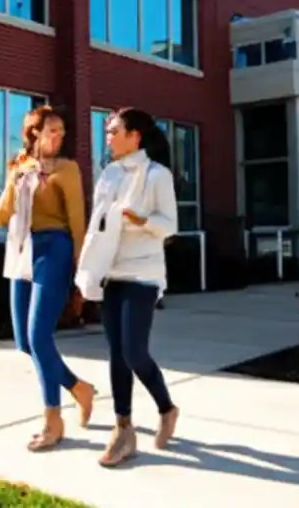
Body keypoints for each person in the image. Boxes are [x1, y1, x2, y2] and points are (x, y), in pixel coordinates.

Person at [0, 105, 97, 452]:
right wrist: (14, 180)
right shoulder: (17, 166)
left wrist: (82, 270)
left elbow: (77, 221)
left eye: (62, 131)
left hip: (54, 248)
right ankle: (78, 386)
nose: (59, 136)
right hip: (21, 250)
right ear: (35, 132)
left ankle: (53, 420)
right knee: (24, 341)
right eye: (52, 130)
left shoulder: (68, 169)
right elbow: (1, 215)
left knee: (39, 336)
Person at [89, 107, 180, 468]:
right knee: (115, 354)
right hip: (111, 271)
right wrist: (89, 267)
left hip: (143, 274)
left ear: (135, 136)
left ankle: (167, 408)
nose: (108, 137)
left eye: (114, 131)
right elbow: (97, 223)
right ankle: (123, 430)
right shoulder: (108, 174)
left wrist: (140, 221)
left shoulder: (158, 175)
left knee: (133, 352)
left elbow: (169, 224)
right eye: (108, 132)